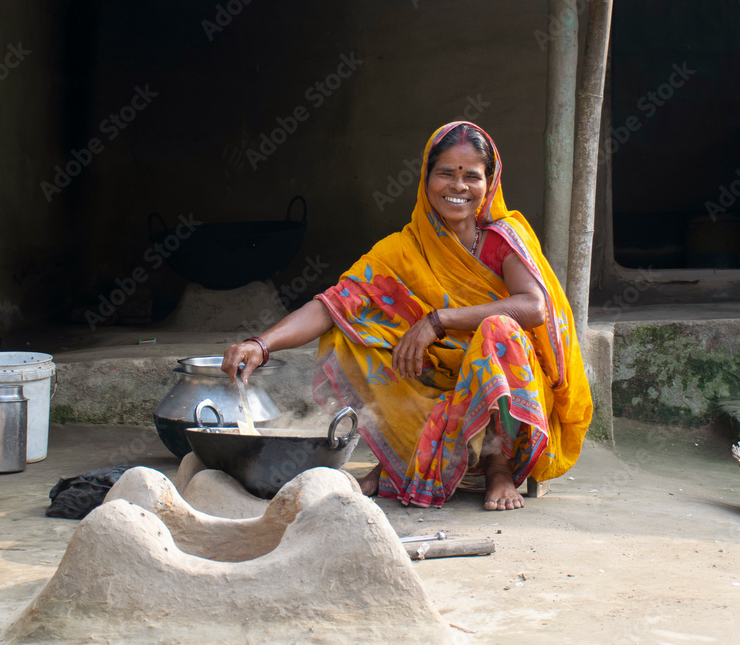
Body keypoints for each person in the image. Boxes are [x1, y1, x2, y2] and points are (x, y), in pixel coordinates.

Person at [223, 121, 592, 510]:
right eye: (445, 173)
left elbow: (534, 307)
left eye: (472, 176)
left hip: (509, 373)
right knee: (351, 332)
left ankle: (498, 466)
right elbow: (333, 303)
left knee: (498, 330)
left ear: (490, 182)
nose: (458, 186)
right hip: (441, 375)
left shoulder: (503, 238)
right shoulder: (403, 247)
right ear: (426, 178)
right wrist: (260, 344)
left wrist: (439, 320)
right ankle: (401, 458)